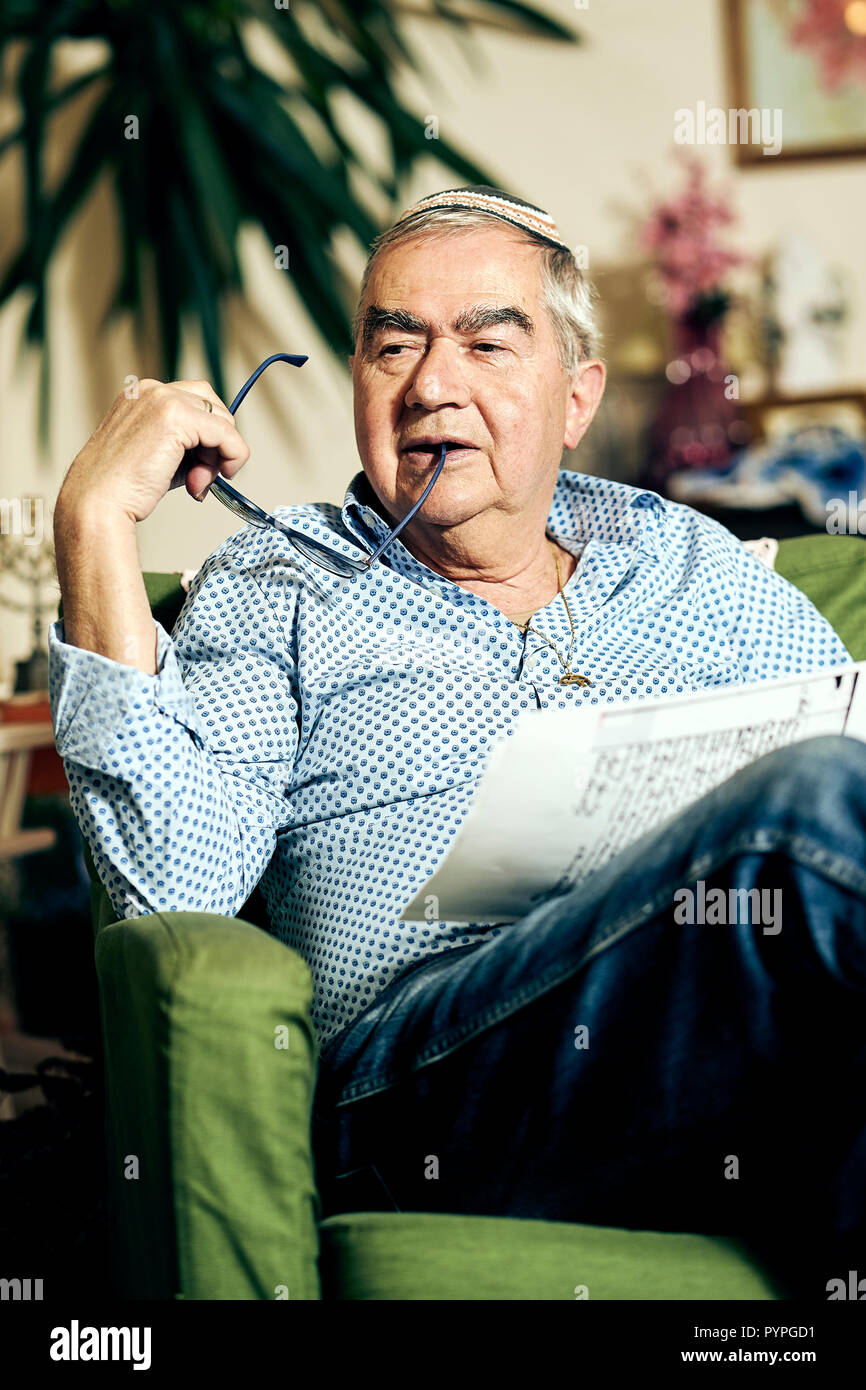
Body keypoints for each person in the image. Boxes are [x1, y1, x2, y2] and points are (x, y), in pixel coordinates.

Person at [49, 186, 865, 1297]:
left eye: (486, 342)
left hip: (707, 1046)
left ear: (575, 397)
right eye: (394, 345)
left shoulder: (687, 557)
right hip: (425, 1074)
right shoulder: (282, 579)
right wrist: (94, 524)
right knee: (814, 805)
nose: (432, 383)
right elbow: (164, 899)